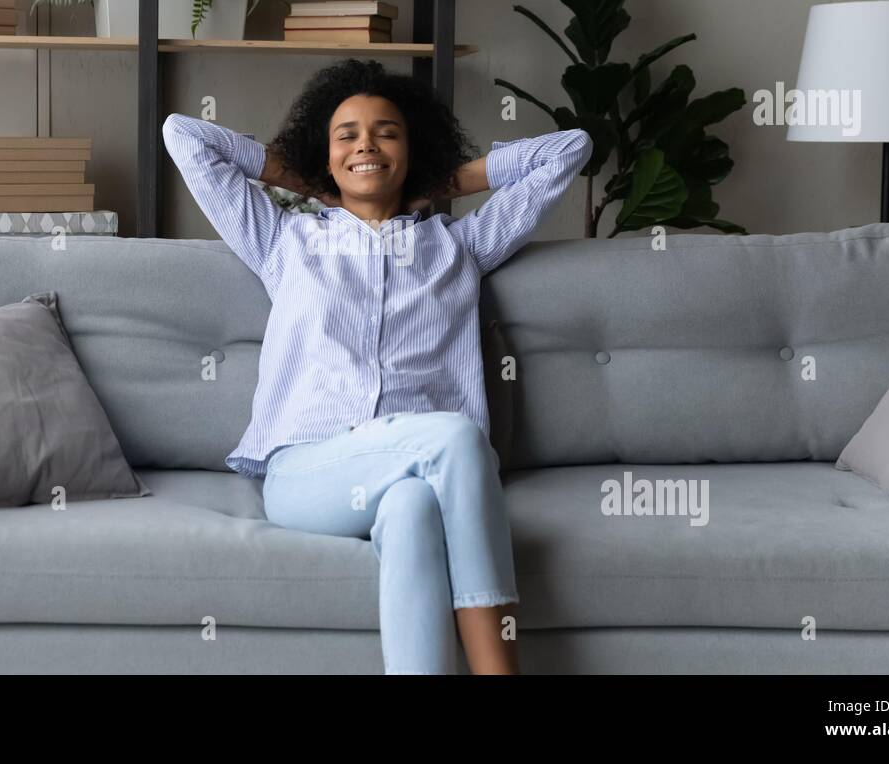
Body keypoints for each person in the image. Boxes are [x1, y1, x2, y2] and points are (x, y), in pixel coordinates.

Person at [162, 58, 591, 674]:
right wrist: (315, 180)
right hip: (308, 472)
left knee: (415, 507)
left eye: (387, 133)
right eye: (347, 136)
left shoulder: (460, 246)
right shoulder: (284, 242)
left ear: (413, 149)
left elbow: (570, 149)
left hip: (418, 475)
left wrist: (442, 181)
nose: (366, 144)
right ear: (325, 152)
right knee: (455, 436)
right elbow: (185, 134)